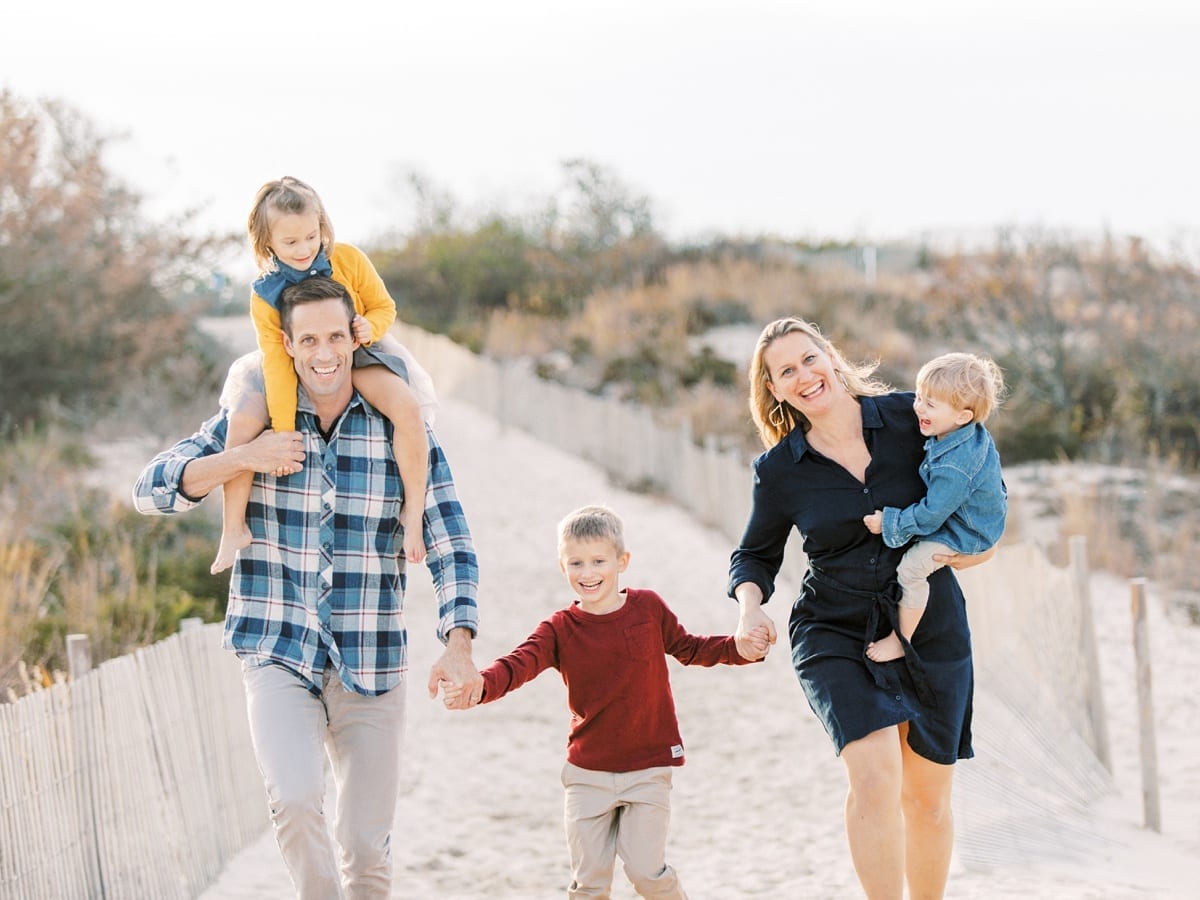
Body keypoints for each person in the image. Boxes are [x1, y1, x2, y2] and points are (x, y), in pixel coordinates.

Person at [133, 276, 483, 900]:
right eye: (308, 340)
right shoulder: (253, 420)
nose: (324, 354)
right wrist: (245, 458)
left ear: (355, 337)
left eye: (335, 336)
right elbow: (151, 489)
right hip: (277, 646)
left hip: (371, 657)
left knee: (365, 849)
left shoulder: (399, 429)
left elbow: (451, 539)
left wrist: (458, 640)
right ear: (287, 347)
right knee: (293, 801)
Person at [726, 317, 995, 900]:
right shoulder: (779, 471)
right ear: (774, 389)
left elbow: (982, 475)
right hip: (834, 628)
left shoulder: (911, 417)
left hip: (929, 624)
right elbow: (754, 555)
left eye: (810, 358)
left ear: (832, 357)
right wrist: (750, 609)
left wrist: (969, 548)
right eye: (786, 371)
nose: (804, 376)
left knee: (926, 802)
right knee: (874, 777)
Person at [443, 504, 769, 900]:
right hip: (587, 775)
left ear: (622, 561)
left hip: (648, 767)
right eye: (576, 563)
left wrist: (738, 648)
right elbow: (518, 664)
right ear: (563, 568)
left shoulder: (648, 608)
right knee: (589, 884)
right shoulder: (559, 629)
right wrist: (479, 686)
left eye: (598, 561)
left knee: (647, 872)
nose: (588, 572)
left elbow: (688, 647)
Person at [211, 175, 437, 575]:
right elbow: (277, 363)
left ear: (323, 228)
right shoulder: (265, 294)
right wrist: (282, 430)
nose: (303, 249)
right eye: (290, 242)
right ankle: (233, 528)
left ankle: (413, 513)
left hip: (356, 349)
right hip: (295, 358)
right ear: (268, 244)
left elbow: (384, 306)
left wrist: (371, 326)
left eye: (311, 237)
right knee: (242, 420)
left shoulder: (347, 259)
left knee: (405, 406)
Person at [862, 352, 1007, 662]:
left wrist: (890, 522)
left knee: (912, 568)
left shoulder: (955, 466)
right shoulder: (962, 433)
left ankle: (901, 639)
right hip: (978, 516)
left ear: (962, 417)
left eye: (930, 404)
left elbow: (930, 517)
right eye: (920, 397)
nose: (918, 408)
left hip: (968, 532)